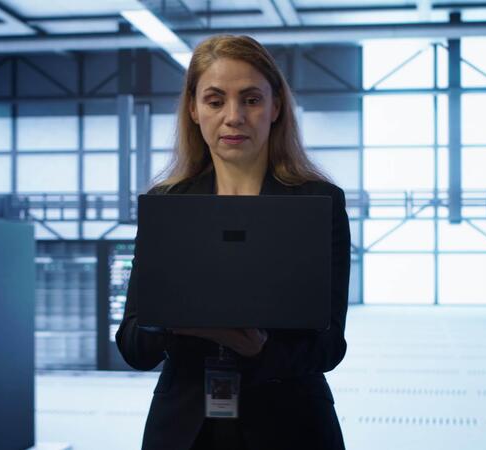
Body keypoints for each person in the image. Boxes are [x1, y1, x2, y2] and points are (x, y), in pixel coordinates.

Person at [116, 34, 350, 450]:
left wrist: (262, 351)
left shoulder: (319, 203)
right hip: (184, 428)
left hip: (292, 423)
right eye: (214, 100)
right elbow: (134, 345)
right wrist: (169, 322)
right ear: (193, 109)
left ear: (276, 107)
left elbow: (329, 345)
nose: (233, 117)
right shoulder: (166, 205)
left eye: (251, 100)